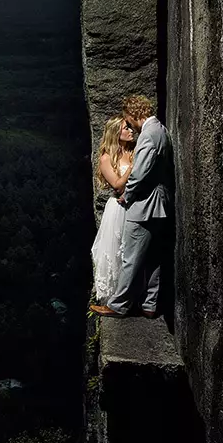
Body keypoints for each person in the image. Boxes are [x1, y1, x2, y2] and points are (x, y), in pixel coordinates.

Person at [91, 95, 173, 319]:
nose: (129, 125)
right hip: (159, 204)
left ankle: (119, 305)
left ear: (135, 114)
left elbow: (139, 173)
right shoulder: (162, 130)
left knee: (130, 256)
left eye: (128, 119)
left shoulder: (148, 135)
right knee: (153, 258)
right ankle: (150, 304)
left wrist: (128, 194)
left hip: (144, 205)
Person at [90, 116, 136, 304]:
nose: (131, 131)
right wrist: (132, 167)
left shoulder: (134, 151)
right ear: (117, 133)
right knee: (117, 250)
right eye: (127, 128)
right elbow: (117, 184)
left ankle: (132, 295)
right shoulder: (106, 158)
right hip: (117, 208)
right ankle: (116, 298)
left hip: (134, 205)